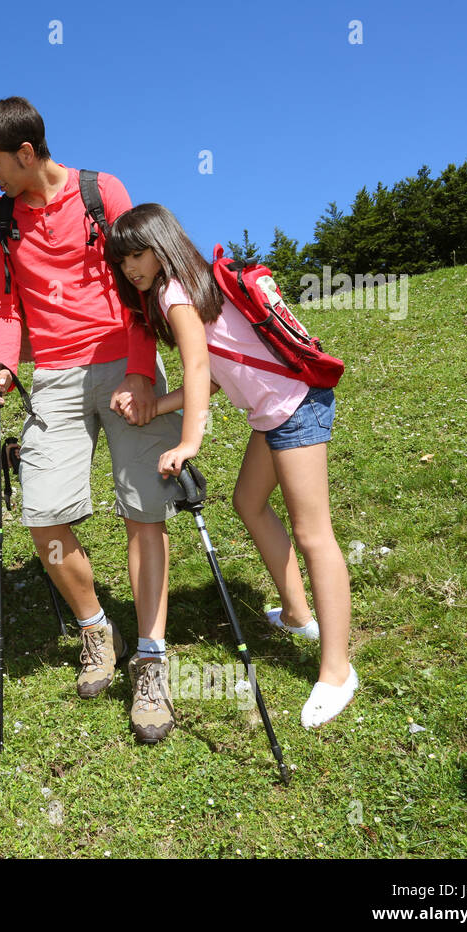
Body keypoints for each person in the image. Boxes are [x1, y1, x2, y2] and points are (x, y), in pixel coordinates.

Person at [0, 97, 185, 743]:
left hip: (125, 360)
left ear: (27, 153)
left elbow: (140, 284)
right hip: (53, 378)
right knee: (44, 516)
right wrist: (5, 368)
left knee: (142, 513)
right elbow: (2, 304)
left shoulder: (101, 192)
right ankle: (96, 628)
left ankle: (150, 657)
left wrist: (144, 372)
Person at [105, 202, 358, 728]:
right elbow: (217, 374)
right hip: (276, 411)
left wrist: (189, 440)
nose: (131, 267)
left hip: (295, 407)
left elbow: (197, 366)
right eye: (122, 259)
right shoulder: (192, 289)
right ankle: (296, 614)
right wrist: (158, 405)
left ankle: (337, 671)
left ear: (163, 243)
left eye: (138, 253)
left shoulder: (174, 291)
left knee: (315, 535)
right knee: (248, 502)